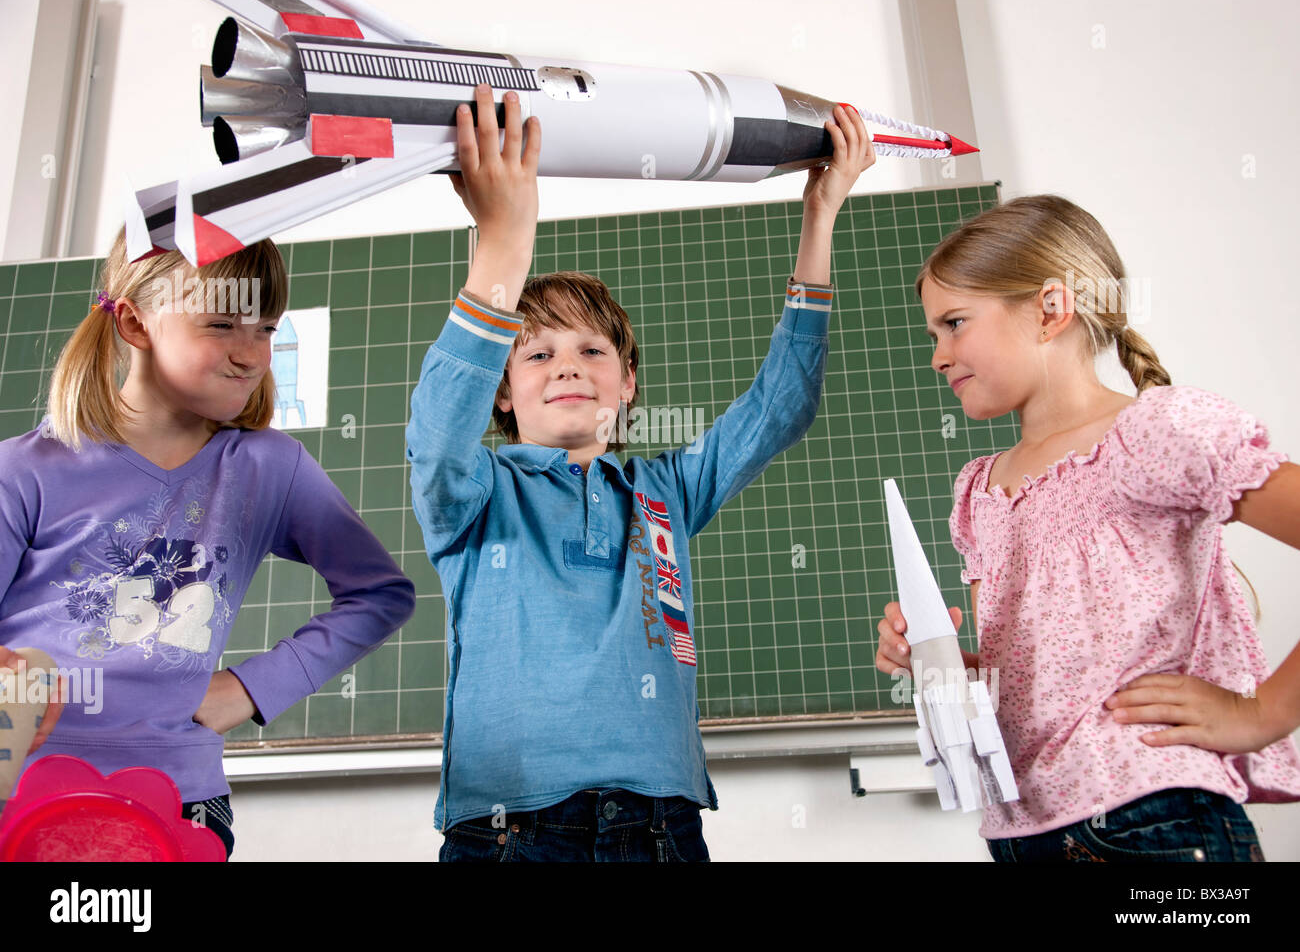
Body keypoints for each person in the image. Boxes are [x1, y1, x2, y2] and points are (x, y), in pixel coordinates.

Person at [407, 85, 875, 860]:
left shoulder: (664, 489)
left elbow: (781, 406)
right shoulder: (477, 492)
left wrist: (819, 214)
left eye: (593, 351)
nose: (569, 367)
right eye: (538, 352)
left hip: (661, 826)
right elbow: (437, 427)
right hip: (510, 832)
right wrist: (501, 250)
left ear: (627, 385)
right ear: (502, 387)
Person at [875, 194, 1300, 861]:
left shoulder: (1152, 433)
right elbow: (1031, 669)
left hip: (1148, 817)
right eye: (935, 334)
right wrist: (945, 668)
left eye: (955, 324)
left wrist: (1262, 713)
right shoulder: (979, 491)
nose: (939, 355)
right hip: (1022, 832)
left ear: (1050, 308)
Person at [0, 231, 415, 858]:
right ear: (138, 324)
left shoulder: (271, 469)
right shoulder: (25, 469)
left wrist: (251, 688)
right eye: (221, 325)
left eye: (268, 328)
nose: (252, 355)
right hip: (22, 789)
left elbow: (379, 594)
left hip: (180, 796)